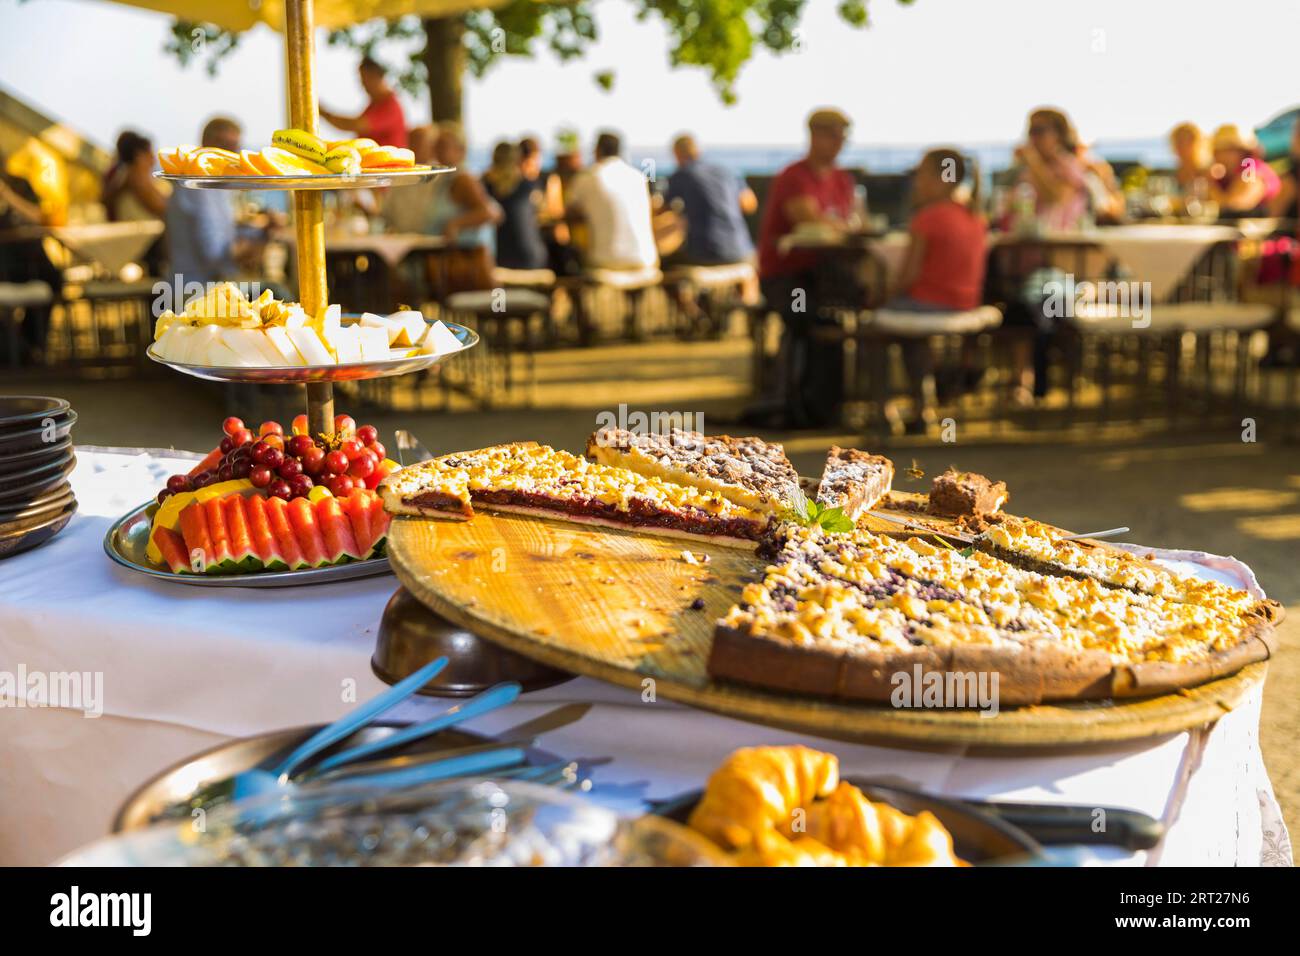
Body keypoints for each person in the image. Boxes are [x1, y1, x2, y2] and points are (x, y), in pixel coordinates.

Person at [753, 107, 858, 428]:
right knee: (805, 317)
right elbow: (808, 219)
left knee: (857, 308)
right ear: (815, 135)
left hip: (825, 273)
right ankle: (793, 400)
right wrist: (841, 226)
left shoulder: (842, 179)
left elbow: (849, 222)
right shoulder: (794, 176)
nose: (840, 144)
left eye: (843, 138)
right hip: (786, 274)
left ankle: (834, 400)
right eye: (835, 137)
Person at [885, 148, 987, 432]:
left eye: (921, 174)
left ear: (941, 179)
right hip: (965, 303)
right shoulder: (975, 216)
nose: (916, 181)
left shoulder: (928, 217)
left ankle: (887, 408)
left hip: (930, 304)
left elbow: (909, 275)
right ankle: (923, 403)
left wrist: (880, 297)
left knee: (877, 326)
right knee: (909, 329)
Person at [165, 117, 256, 286]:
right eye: (226, 146)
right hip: (194, 289)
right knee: (278, 292)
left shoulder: (213, 185)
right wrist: (254, 245)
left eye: (235, 148)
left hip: (202, 285)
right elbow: (214, 254)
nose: (233, 154)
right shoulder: (197, 186)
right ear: (206, 145)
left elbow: (225, 235)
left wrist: (261, 233)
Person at [0, 147, 62, 363]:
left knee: (55, 279)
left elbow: (39, 217)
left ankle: (29, 344)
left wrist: (6, 194)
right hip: (4, 262)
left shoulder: (19, 184)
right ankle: (19, 348)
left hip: (31, 260)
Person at [424, 122, 501, 292]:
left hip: (467, 265)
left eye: (443, 146)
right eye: (436, 145)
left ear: (461, 150)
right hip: (450, 264)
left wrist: (455, 224)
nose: (437, 151)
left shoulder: (463, 179)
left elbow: (490, 212)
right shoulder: (444, 180)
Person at [564, 131, 658, 271]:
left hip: (606, 261)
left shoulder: (588, 177)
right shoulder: (638, 177)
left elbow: (569, 212)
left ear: (597, 151)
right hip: (645, 260)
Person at [662, 133, 756, 266]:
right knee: (749, 274)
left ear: (676, 154)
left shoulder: (682, 174)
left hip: (706, 251)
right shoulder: (727, 170)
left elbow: (664, 210)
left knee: (668, 265)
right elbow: (749, 204)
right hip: (741, 249)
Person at [1012, 107, 1090, 231]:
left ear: (1058, 134)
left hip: (1062, 243)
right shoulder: (1028, 170)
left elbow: (1057, 199)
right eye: (1031, 131)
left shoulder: (1069, 165)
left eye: (1039, 131)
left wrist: (1033, 162)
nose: (1033, 137)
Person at [482, 141, 547, 271]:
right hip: (530, 258)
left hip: (497, 258)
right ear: (517, 160)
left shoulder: (483, 186)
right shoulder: (528, 186)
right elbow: (542, 211)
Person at [319, 57, 408, 149]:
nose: (363, 85)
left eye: (364, 80)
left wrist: (323, 112)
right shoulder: (373, 106)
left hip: (387, 162)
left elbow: (356, 125)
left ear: (375, 76)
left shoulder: (390, 106)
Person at [1209, 123, 1280, 216]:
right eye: (1219, 150)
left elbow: (1235, 206)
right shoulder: (1224, 174)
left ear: (1244, 151)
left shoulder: (1253, 171)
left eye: (1230, 149)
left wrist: (1211, 188)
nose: (1222, 156)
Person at [382, 125, 437, 233]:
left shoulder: (440, 176)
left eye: (420, 143)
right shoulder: (400, 175)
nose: (415, 147)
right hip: (402, 241)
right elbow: (387, 214)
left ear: (432, 147)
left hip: (433, 242)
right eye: (412, 142)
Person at [1169, 122, 1210, 194]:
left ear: (1198, 144)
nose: (1183, 146)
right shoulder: (1171, 175)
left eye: (1188, 141)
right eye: (1179, 141)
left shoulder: (1208, 174)